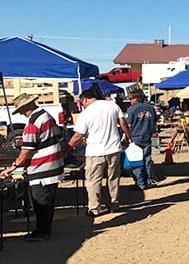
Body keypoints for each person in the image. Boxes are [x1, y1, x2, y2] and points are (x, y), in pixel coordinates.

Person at [0, 93, 65, 241]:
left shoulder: (33, 123)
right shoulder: (46, 116)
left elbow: (27, 149)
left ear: (28, 106)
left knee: (40, 200)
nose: (22, 113)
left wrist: (14, 166)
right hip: (53, 163)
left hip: (43, 167)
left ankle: (42, 231)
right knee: (48, 200)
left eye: (22, 110)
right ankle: (45, 228)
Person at [66, 87, 132, 217]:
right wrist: (129, 138)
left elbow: (78, 135)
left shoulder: (86, 113)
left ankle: (95, 207)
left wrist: (67, 148)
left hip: (95, 152)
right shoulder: (112, 106)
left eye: (81, 103)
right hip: (114, 149)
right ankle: (114, 203)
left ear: (85, 99)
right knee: (113, 178)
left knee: (93, 180)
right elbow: (123, 123)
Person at [125, 89, 158, 190]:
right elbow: (154, 122)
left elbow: (128, 125)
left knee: (136, 160)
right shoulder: (150, 108)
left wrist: (127, 137)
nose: (130, 101)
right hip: (147, 137)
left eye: (131, 98)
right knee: (147, 159)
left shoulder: (131, 109)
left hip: (135, 138)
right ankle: (149, 180)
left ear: (136, 98)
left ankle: (140, 183)